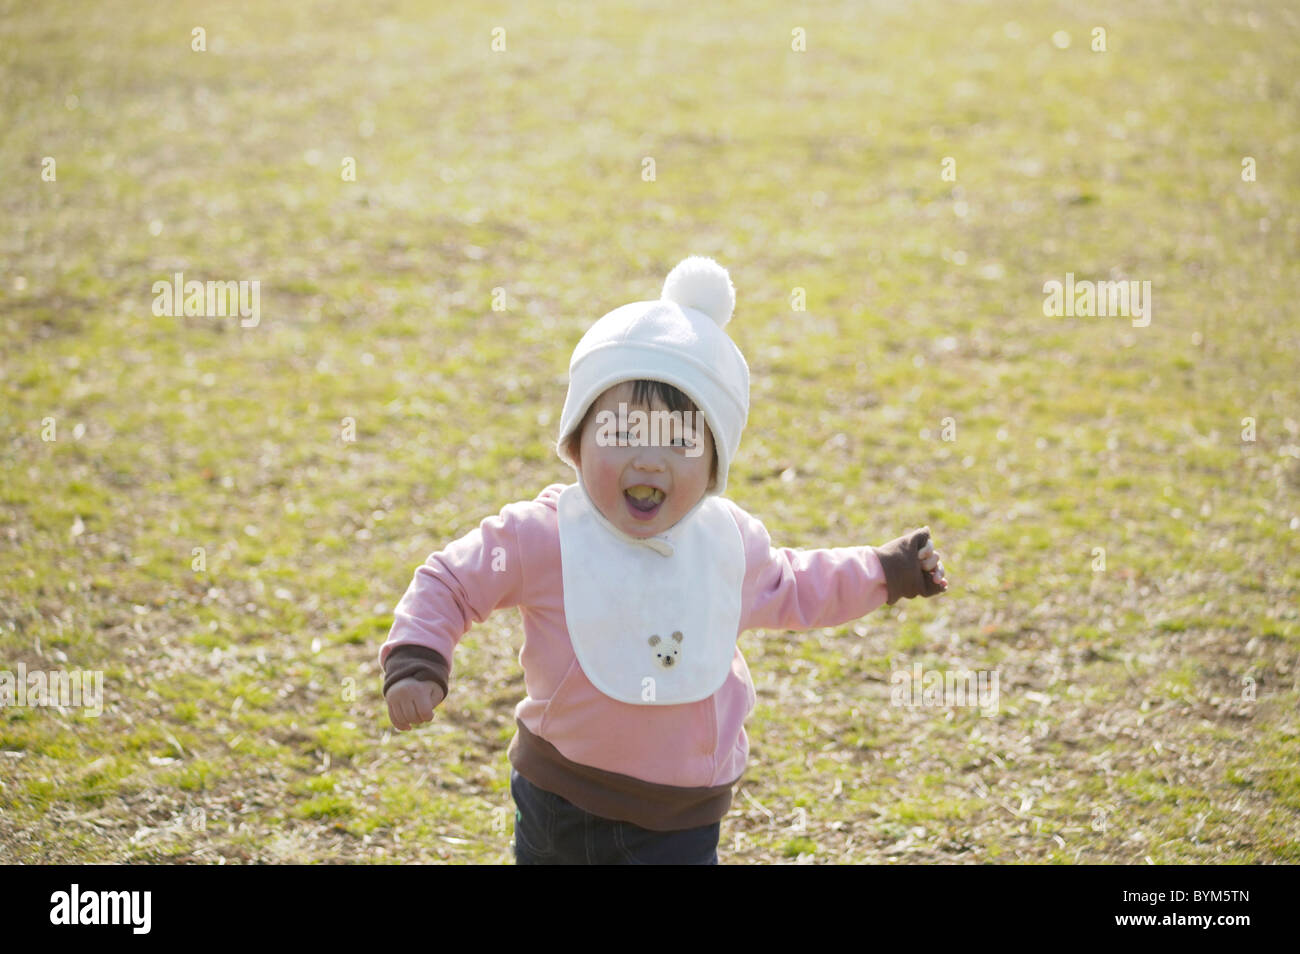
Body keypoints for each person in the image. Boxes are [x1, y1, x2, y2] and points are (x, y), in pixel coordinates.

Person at [379, 256, 949, 864]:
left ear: (713, 464)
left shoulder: (729, 545)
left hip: (683, 818)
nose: (649, 459)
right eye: (621, 432)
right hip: (560, 797)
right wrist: (419, 657)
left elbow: (799, 585)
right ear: (575, 442)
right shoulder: (544, 537)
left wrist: (886, 571)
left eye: (680, 440)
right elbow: (451, 581)